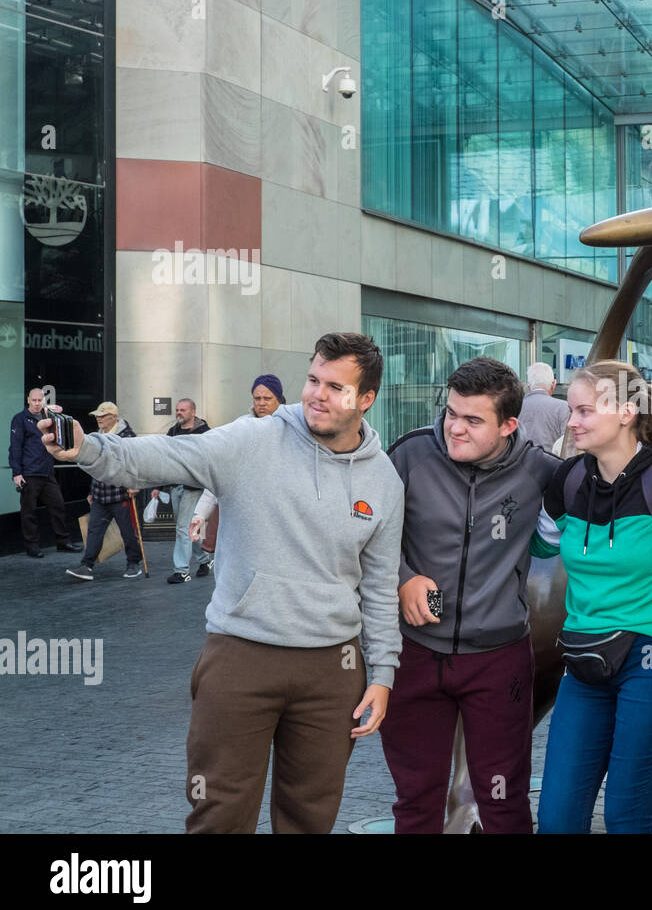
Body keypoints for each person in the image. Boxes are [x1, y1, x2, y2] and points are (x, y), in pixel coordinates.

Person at [41, 332, 404, 833]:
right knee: (219, 817)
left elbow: (382, 587)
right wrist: (89, 448)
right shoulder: (252, 440)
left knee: (311, 820)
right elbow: (164, 457)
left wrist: (382, 674)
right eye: (313, 379)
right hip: (240, 658)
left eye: (336, 387)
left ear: (366, 399)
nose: (317, 394)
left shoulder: (384, 480)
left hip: (333, 671)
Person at [531, 360, 652, 834]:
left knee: (627, 818)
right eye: (571, 410)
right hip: (585, 661)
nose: (571, 421)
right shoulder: (570, 479)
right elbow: (537, 545)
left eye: (584, 410)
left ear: (626, 412)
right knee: (555, 818)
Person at [381, 357, 559, 833]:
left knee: (502, 798)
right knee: (416, 799)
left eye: (473, 420)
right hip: (414, 653)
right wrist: (402, 576)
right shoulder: (410, 454)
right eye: (451, 413)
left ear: (509, 425)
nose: (455, 428)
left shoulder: (541, 471)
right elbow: (364, 536)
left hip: (499, 660)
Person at [188, 374, 287, 561]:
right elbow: (221, 472)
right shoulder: (241, 427)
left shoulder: (291, 429)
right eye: (257, 398)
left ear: (279, 400)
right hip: (244, 518)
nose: (262, 403)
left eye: (267, 398)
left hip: (279, 519)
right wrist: (200, 513)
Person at [66, 403, 144, 580]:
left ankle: (134, 563)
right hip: (100, 494)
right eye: (97, 416)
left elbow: (136, 463)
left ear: (114, 417)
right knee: (94, 530)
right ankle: (87, 565)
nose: (98, 418)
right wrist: (91, 490)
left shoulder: (128, 437)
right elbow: (95, 466)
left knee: (127, 531)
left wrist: (135, 484)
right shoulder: (97, 436)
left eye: (103, 415)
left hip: (121, 493)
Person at [9, 387, 81, 557]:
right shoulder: (20, 419)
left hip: (47, 472)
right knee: (29, 512)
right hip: (29, 473)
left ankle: (63, 542)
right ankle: (31, 546)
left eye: (39, 400)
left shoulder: (48, 417)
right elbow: (15, 447)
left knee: (58, 506)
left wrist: (59, 411)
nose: (36, 403)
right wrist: (17, 472)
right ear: (28, 400)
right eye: (33, 400)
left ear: (43, 401)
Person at [148, 398, 212, 584]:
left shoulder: (204, 433)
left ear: (193, 412)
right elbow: (165, 459)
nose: (179, 412)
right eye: (177, 410)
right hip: (175, 485)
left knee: (183, 528)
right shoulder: (173, 432)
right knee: (188, 527)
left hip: (194, 487)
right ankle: (204, 559)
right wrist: (159, 487)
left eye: (183, 410)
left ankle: (182, 571)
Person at [517, 362, 571, 454]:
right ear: (553, 384)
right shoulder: (564, 407)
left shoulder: (516, 407)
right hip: (554, 465)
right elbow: (568, 445)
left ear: (529, 386)